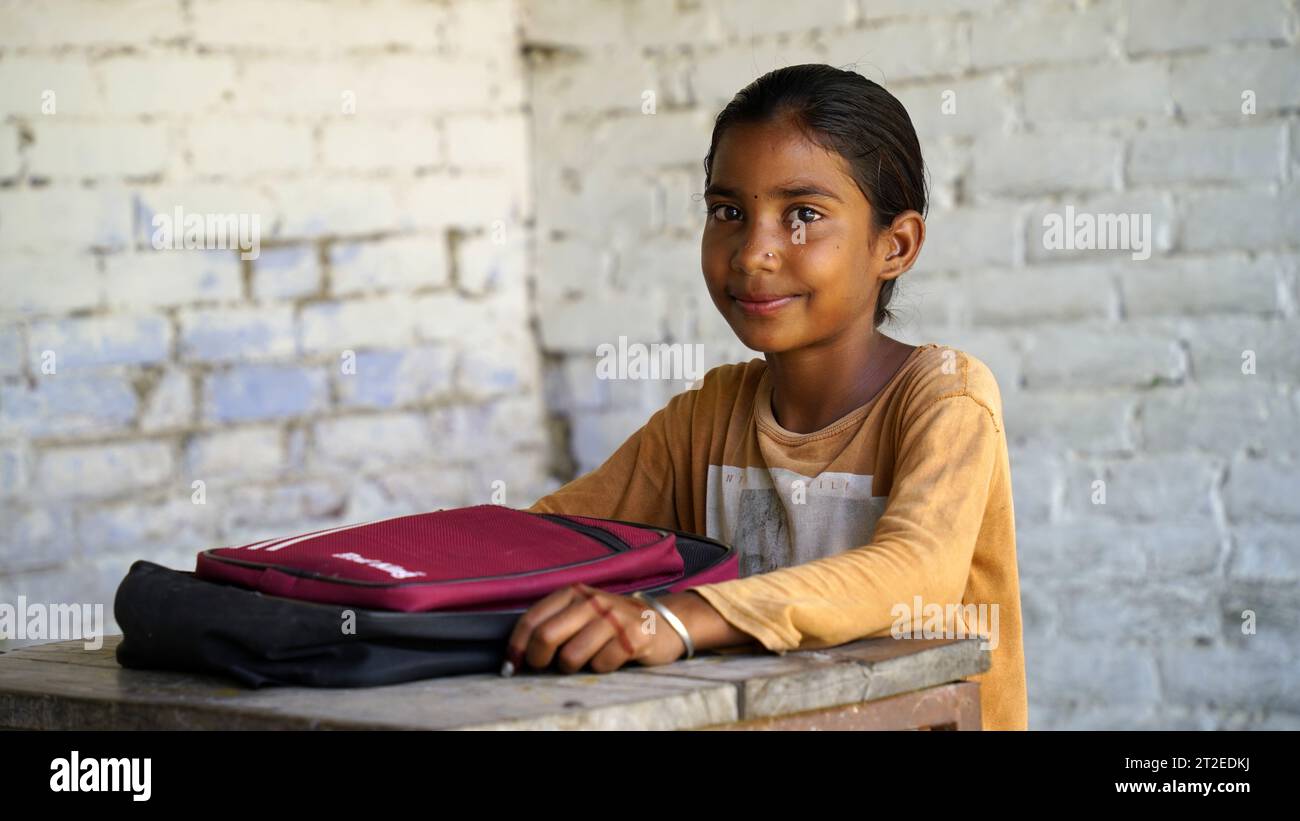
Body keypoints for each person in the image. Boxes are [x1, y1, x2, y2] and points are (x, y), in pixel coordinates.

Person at [507, 63, 1027, 731]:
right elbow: (546, 542)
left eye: (803, 215)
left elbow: (913, 574)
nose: (753, 252)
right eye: (729, 211)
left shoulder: (944, 398)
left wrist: (676, 616)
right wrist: (379, 573)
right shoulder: (707, 416)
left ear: (895, 245)